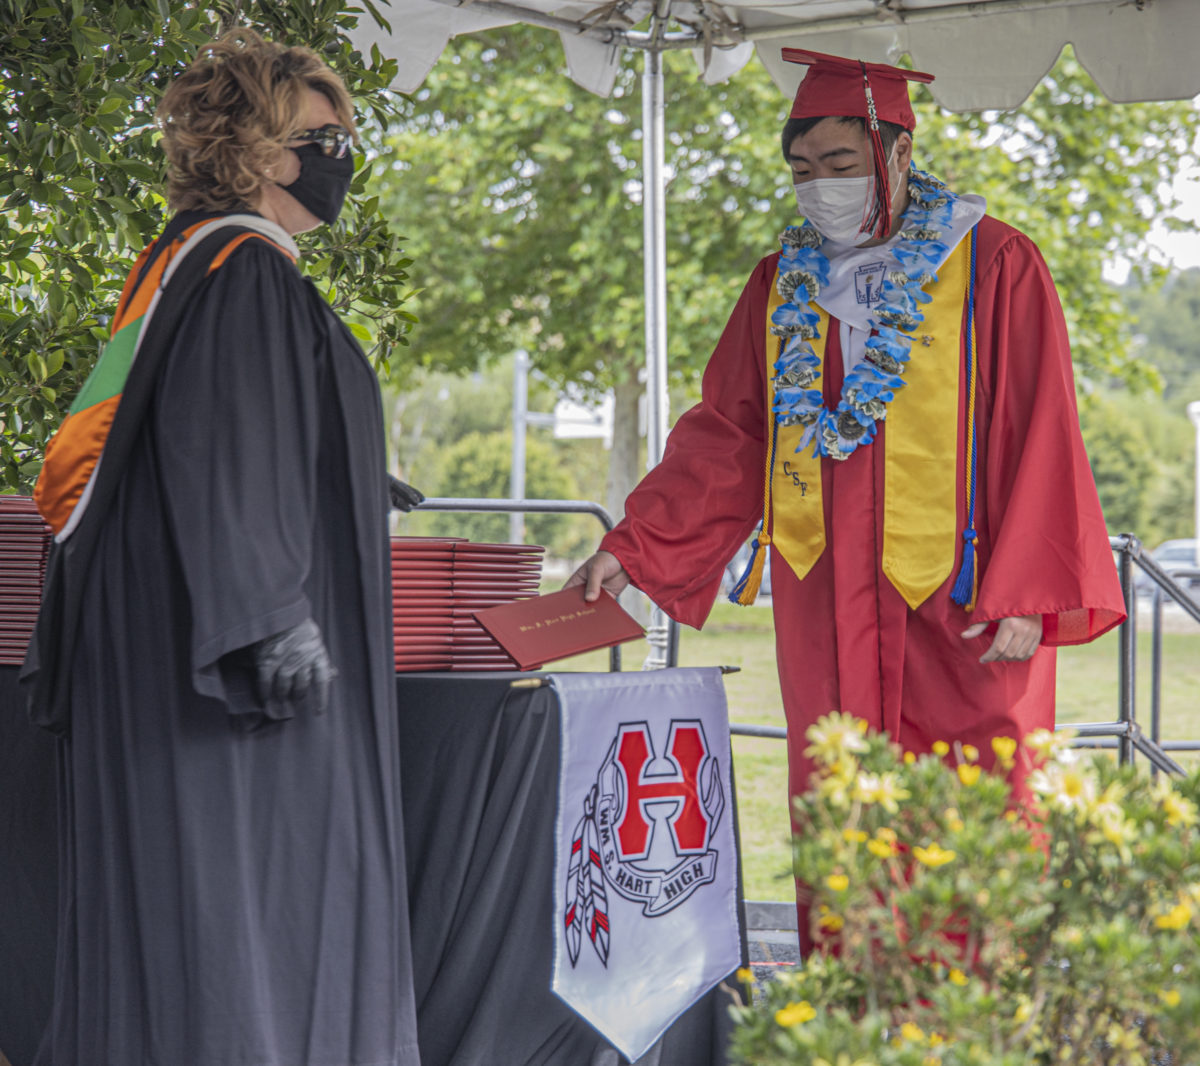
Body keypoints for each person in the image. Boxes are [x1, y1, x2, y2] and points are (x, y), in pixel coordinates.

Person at [567, 49, 1125, 947]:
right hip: (827, 601)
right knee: (840, 808)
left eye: (839, 165)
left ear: (898, 153)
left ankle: (970, 1027)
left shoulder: (993, 264)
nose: (819, 187)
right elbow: (729, 434)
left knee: (972, 808)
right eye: (801, 171)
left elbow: (1042, 425)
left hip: (964, 603)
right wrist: (635, 546)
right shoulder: (784, 284)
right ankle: (852, 1015)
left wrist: (1033, 589)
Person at [22, 30, 420, 1065]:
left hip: (160, 629)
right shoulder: (243, 272)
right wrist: (269, 627)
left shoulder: (185, 265)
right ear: (255, 152)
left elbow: (180, 437)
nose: (341, 154)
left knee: (185, 900)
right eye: (319, 136)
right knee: (243, 901)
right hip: (217, 656)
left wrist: (342, 471)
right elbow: (224, 447)